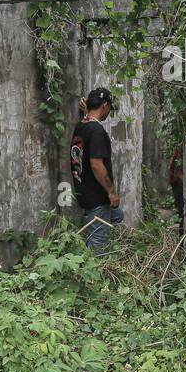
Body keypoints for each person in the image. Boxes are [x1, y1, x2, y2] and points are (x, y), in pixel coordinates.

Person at [70, 87, 122, 253]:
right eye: (109, 107)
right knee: (97, 245)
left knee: (118, 215)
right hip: (97, 195)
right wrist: (111, 191)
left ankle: (93, 240)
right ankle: (93, 275)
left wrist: (86, 113)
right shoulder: (97, 131)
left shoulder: (81, 126)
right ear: (105, 105)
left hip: (84, 191)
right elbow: (96, 164)